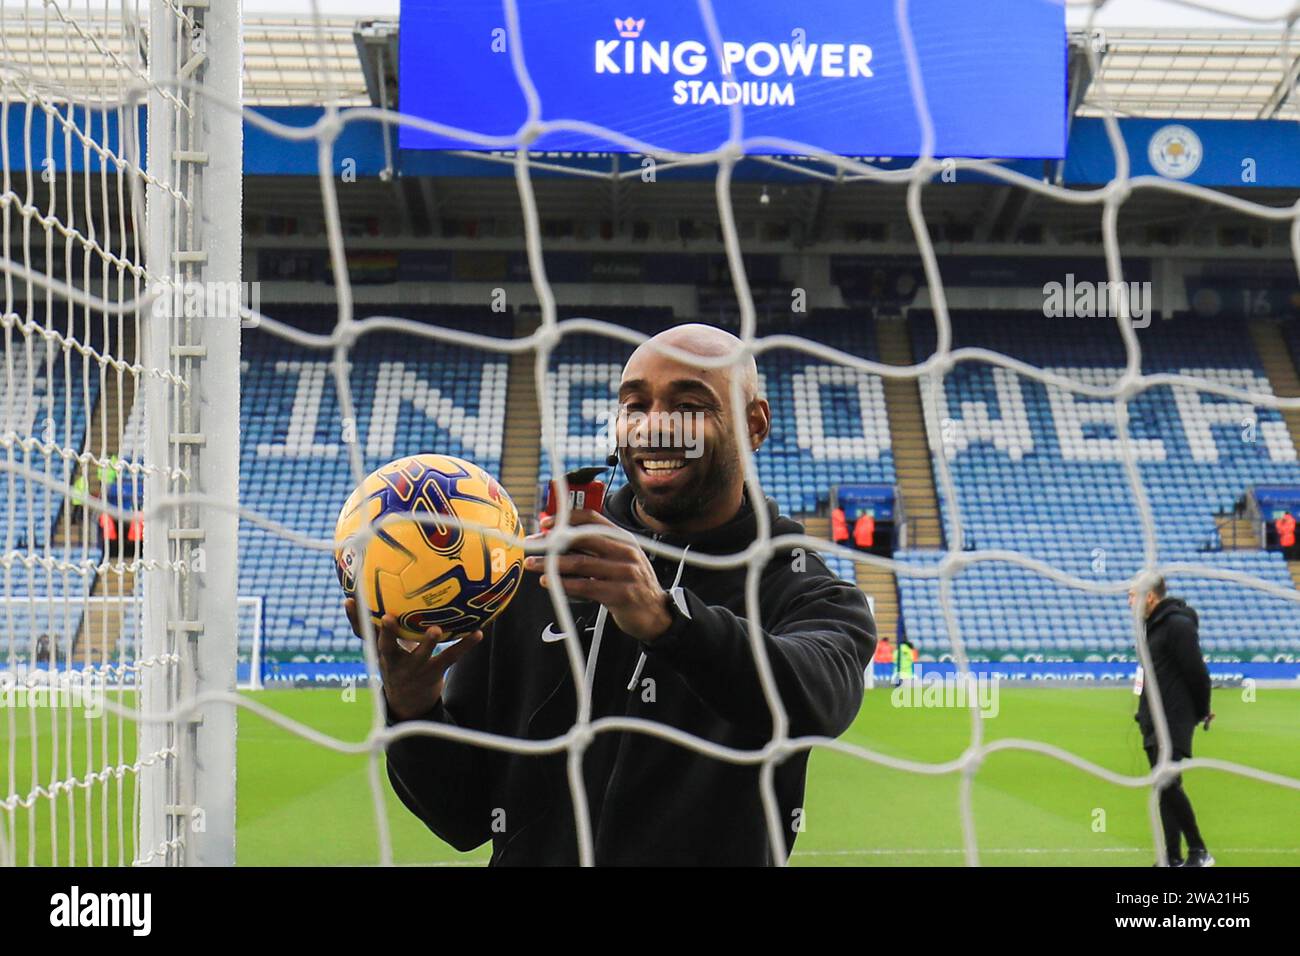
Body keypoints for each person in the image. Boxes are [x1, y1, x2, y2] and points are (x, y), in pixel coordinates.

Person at [349, 323, 876, 865]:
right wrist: (413, 710)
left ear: (754, 424)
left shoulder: (799, 585)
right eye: (635, 404)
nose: (656, 427)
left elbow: (822, 697)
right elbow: (463, 818)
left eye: (689, 405)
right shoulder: (533, 574)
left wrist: (667, 621)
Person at [1129, 572, 1214, 868]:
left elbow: (1197, 673)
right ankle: (1172, 857)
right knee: (1164, 786)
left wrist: (1203, 709)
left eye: (1131, 595)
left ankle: (1199, 851)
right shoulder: (1150, 628)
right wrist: (1141, 712)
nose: (1128, 601)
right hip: (1153, 719)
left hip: (1173, 718)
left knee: (1166, 784)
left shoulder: (1178, 625)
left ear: (1149, 596)